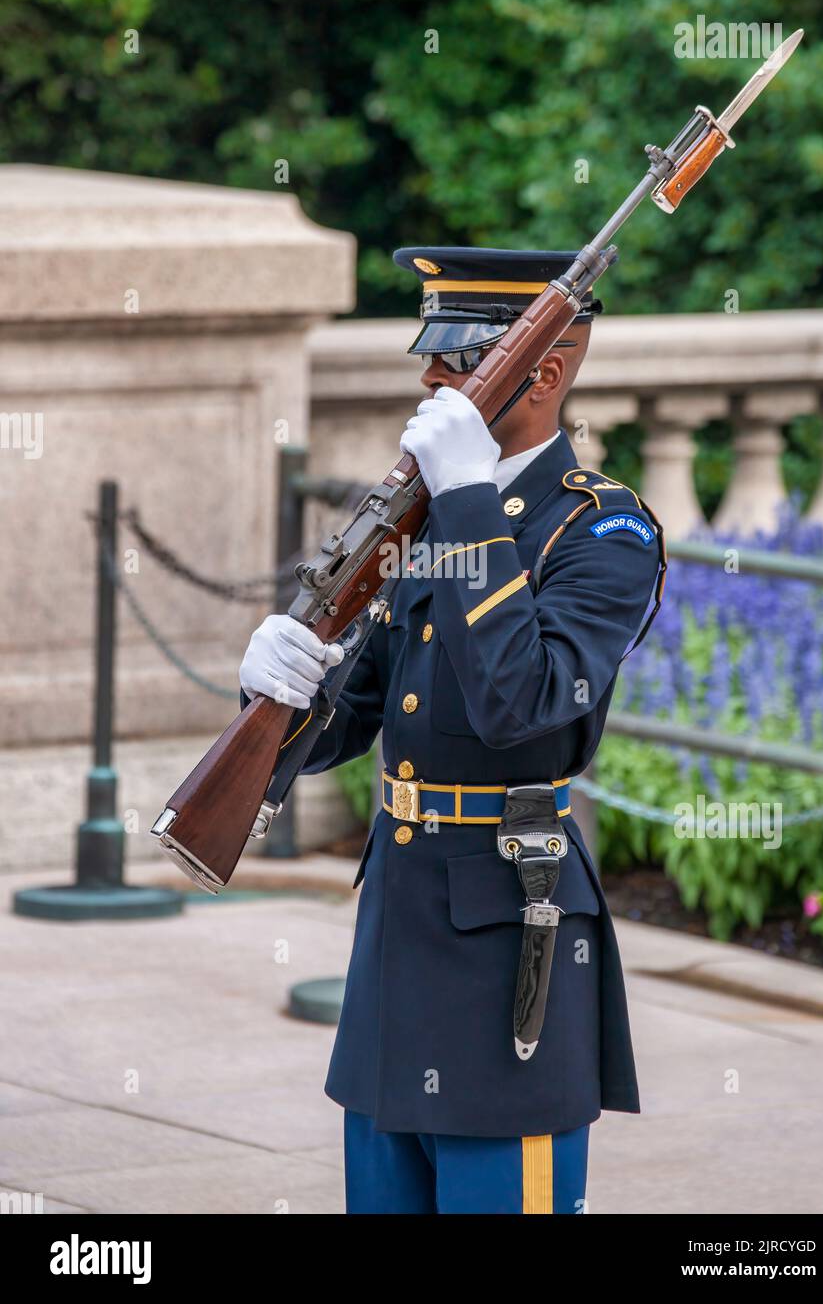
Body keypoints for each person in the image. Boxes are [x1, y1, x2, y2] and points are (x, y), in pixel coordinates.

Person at [240, 248, 665, 1214]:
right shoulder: (427, 515)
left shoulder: (601, 532)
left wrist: (472, 502)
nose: (432, 380)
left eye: (461, 362)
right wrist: (279, 687)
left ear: (544, 375)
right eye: (431, 358)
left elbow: (523, 702)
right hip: (399, 933)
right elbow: (356, 717)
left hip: (511, 931)